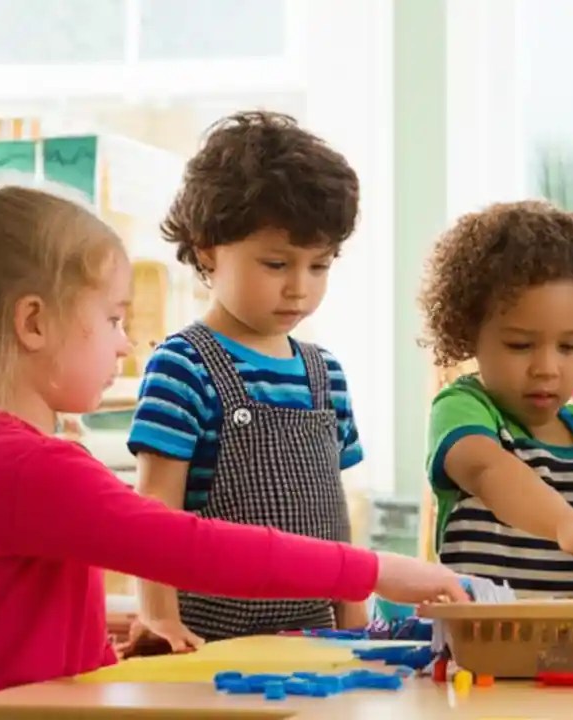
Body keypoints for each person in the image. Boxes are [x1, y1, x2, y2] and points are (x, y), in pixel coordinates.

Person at [0, 164, 467, 719]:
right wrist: (376, 569)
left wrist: (123, 620)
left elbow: (9, 611)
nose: (124, 345)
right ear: (34, 323)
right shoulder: (27, 465)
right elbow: (195, 548)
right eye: (114, 318)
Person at [124, 111, 367, 651]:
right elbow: (155, 511)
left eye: (320, 266)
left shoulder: (326, 374)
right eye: (277, 264)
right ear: (208, 249)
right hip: (210, 647)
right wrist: (158, 617)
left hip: (318, 645)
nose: (299, 289)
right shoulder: (183, 366)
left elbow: (335, 510)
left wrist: (356, 618)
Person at [418, 200, 573, 596]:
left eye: (570, 346)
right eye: (520, 345)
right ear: (470, 334)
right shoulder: (463, 408)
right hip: (485, 646)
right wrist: (567, 525)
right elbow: (490, 471)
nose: (547, 368)